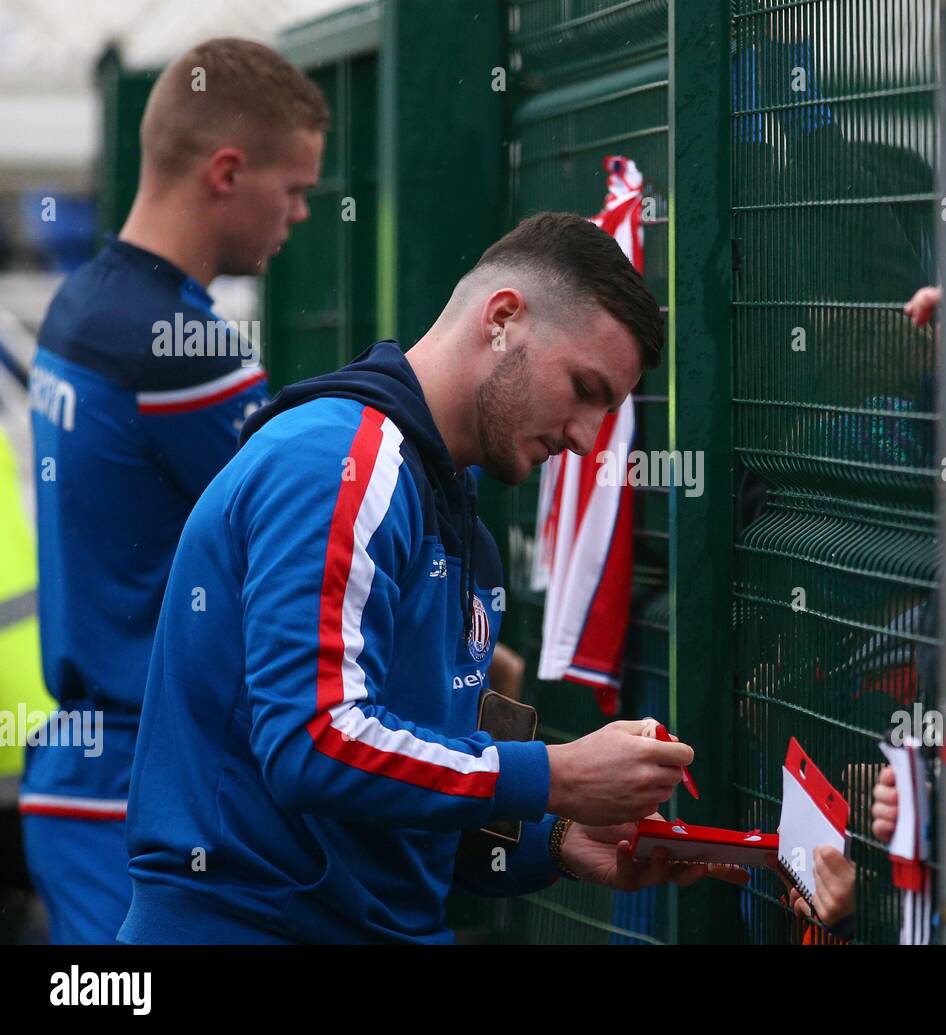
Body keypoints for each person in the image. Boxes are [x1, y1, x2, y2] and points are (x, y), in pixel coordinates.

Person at [117, 212, 743, 945]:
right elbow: (315, 741)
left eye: (604, 415)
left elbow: (393, 793)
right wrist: (555, 772)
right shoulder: (341, 461)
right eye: (583, 388)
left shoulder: (451, 517)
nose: (582, 437)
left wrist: (555, 838)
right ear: (503, 318)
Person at [21, 37, 329, 943]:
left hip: (80, 775)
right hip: (143, 798)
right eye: (297, 187)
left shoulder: (83, 306)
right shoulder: (183, 351)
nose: (303, 214)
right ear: (228, 172)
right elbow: (307, 537)